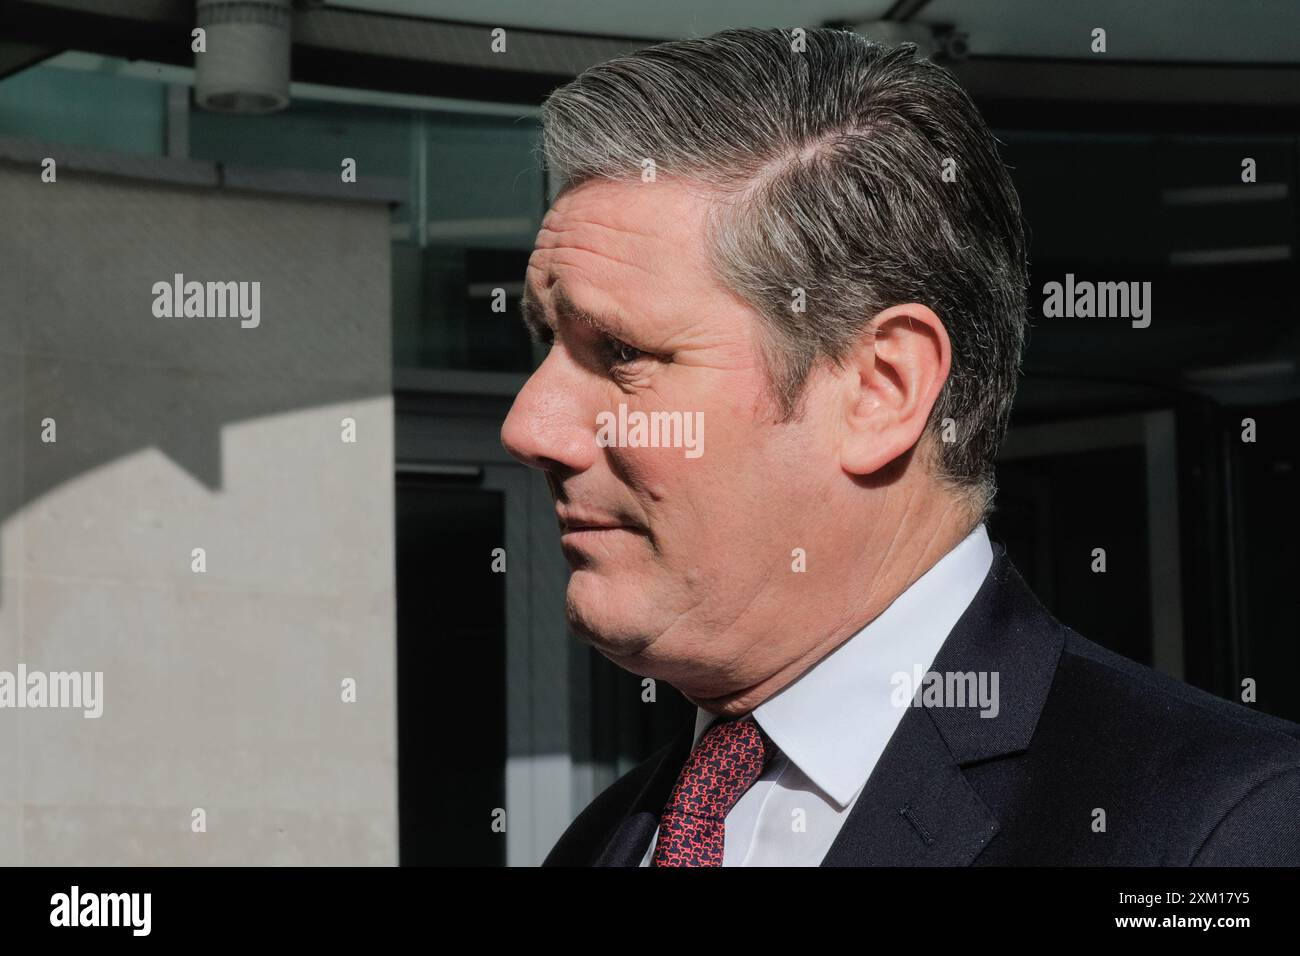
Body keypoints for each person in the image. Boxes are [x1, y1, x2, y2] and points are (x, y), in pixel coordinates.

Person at [499, 27, 1300, 866]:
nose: (531, 427)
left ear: (880, 389)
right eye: (543, 343)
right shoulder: (602, 843)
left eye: (621, 353)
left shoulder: (1223, 830)